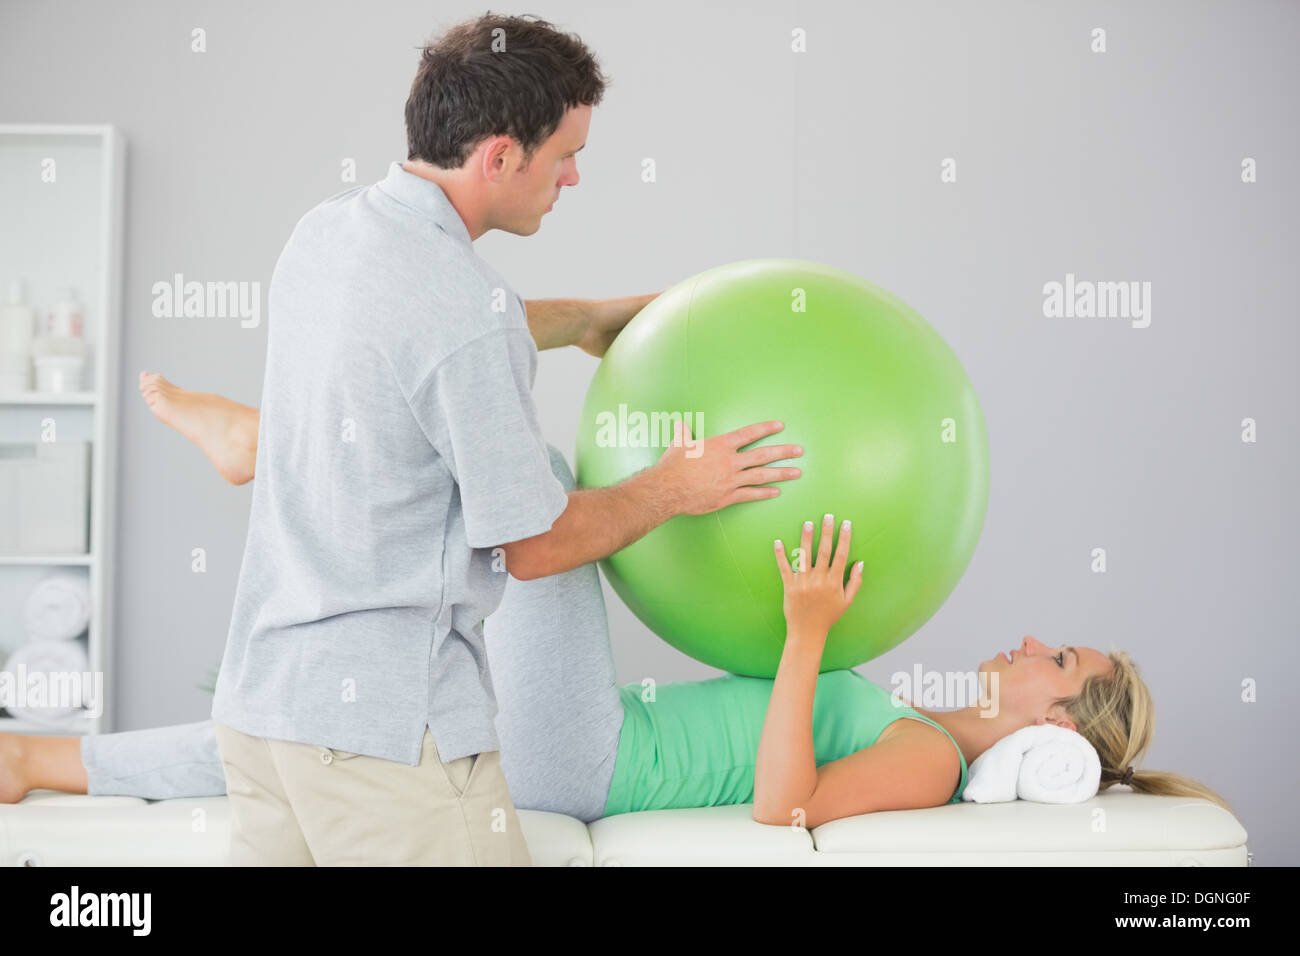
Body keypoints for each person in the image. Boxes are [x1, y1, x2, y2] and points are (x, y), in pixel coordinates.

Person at [0, 376, 1234, 829]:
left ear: (1057, 731)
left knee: (534, 481)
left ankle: (271, 446)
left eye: (1053, 655)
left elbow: (782, 803)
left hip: (581, 753)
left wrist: (807, 633)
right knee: (314, 733)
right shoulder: (916, 721)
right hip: (574, 745)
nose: (1024, 642)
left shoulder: (927, 758)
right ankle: (40, 761)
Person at [197, 13, 804, 865]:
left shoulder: (325, 234)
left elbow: (415, 340)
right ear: (501, 156)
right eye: (564, 156)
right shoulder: (461, 308)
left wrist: (583, 319)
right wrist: (677, 485)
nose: (576, 177)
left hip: (263, 715)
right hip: (388, 740)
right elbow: (536, 542)